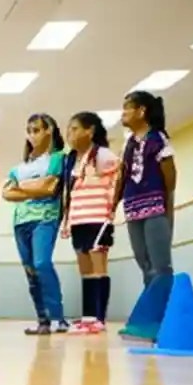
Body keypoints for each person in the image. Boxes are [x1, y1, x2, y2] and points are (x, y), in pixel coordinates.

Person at [4, 113, 68, 335]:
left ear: (49, 130)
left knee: (42, 264)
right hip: (21, 221)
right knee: (30, 271)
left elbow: (50, 189)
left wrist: (22, 188)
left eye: (37, 129)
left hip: (46, 218)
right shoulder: (18, 167)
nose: (32, 135)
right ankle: (43, 320)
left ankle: (59, 317)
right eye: (29, 130)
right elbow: (6, 193)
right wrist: (36, 187)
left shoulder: (58, 158)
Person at [60, 112, 119, 334]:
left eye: (75, 128)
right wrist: (67, 221)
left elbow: (118, 179)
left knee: (98, 267)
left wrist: (110, 209)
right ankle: (87, 317)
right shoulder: (71, 160)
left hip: (98, 218)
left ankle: (99, 318)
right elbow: (69, 192)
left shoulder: (102, 155)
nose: (70, 134)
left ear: (90, 131)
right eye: (69, 129)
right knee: (85, 269)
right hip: (78, 219)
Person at [115, 91, 176, 289]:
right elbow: (123, 175)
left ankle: (164, 309)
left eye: (127, 108)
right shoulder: (128, 143)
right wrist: (113, 202)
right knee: (143, 260)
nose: (122, 113)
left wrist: (167, 203)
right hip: (132, 207)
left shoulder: (158, 139)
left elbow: (170, 174)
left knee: (160, 262)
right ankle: (151, 307)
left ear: (141, 111)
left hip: (155, 207)